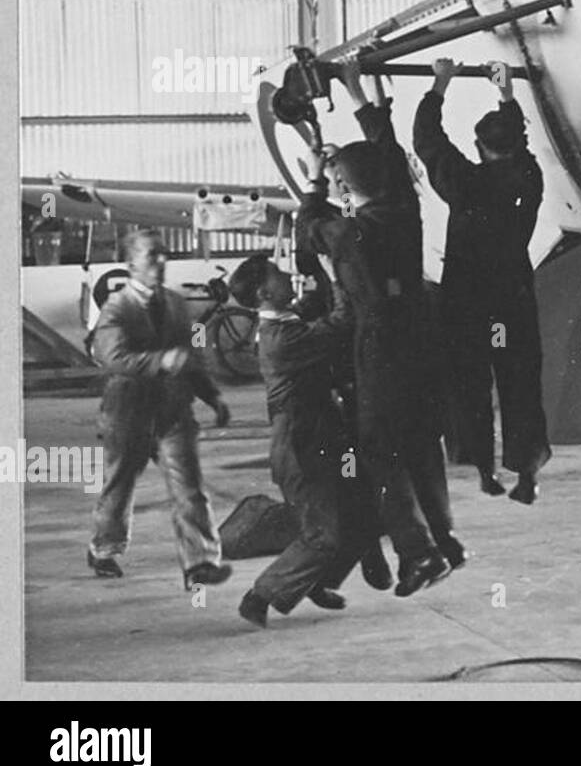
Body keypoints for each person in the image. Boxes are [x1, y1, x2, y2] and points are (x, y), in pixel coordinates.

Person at [297, 60, 464, 596]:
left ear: (346, 185)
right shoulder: (405, 212)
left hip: (381, 347)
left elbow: (307, 230)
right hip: (423, 338)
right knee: (421, 444)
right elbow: (389, 155)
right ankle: (447, 540)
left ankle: (419, 553)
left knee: (381, 451)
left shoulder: (349, 234)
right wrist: (354, 90)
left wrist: (313, 175)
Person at [412, 58, 551, 504]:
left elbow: (427, 142)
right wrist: (507, 92)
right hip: (511, 298)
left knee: (470, 383)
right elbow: (521, 145)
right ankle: (527, 473)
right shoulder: (529, 177)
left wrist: (440, 84)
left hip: (467, 303)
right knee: (520, 384)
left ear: (477, 146)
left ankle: (485, 471)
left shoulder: (464, 183)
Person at [229, 255, 377, 627]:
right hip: (302, 449)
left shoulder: (285, 324)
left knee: (364, 514)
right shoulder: (283, 340)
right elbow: (341, 322)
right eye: (278, 275)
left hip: (323, 439)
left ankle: (316, 581)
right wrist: (335, 272)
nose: (287, 275)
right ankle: (260, 595)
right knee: (323, 535)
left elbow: (313, 312)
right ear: (264, 292)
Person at [87, 228, 232, 590]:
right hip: (127, 412)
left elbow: (190, 358)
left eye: (164, 253)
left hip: (172, 411)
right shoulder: (116, 307)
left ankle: (199, 563)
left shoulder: (176, 303)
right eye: (152, 255)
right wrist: (161, 360)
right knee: (120, 485)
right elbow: (112, 357)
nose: (162, 261)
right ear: (131, 264)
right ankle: (104, 548)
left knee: (189, 487)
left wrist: (212, 397)